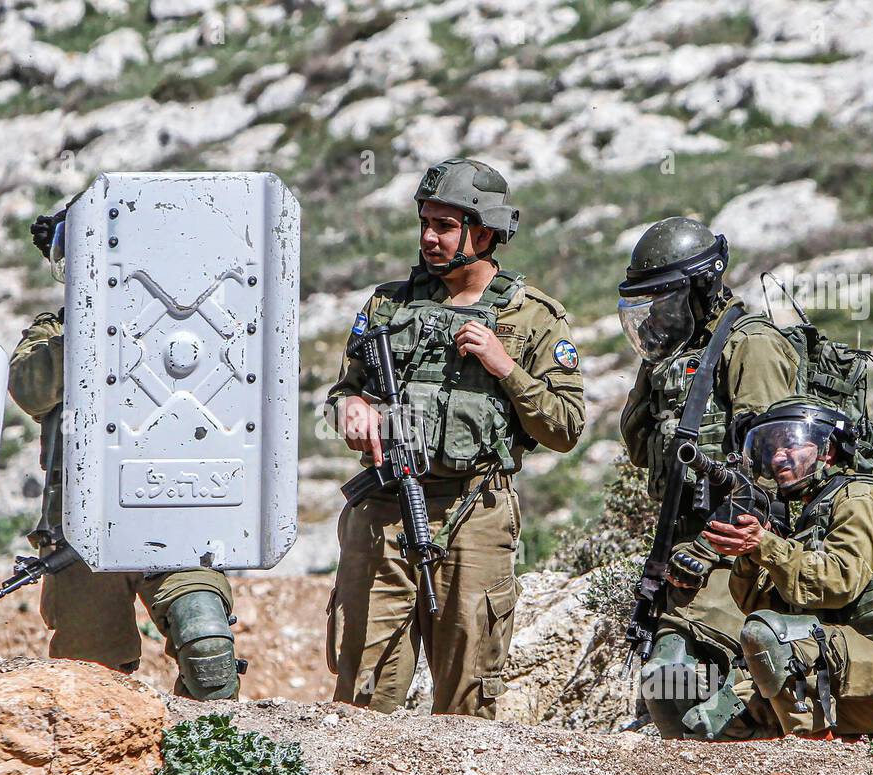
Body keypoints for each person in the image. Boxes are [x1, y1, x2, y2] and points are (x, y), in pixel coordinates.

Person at [325, 157, 586, 718]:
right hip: (384, 507)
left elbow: (566, 427)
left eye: (445, 225)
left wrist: (505, 368)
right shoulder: (385, 306)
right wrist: (348, 410)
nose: (428, 237)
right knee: (362, 699)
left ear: (484, 233)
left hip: (476, 513)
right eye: (425, 221)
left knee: (467, 702)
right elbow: (342, 393)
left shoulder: (533, 317)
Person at [6, 204, 242, 700]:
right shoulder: (53, 332)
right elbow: (30, 390)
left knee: (208, 652)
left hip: (174, 510)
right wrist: (95, 331)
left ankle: (204, 768)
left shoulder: (188, 326)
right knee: (90, 687)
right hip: (82, 530)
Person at [617, 217, 801, 739]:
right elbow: (638, 447)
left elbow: (774, 475)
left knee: (675, 689)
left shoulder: (752, 346)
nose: (654, 312)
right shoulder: (673, 354)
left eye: (664, 298)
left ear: (699, 287)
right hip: (683, 542)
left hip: (739, 546)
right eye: (645, 301)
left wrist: (714, 545)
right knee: (668, 688)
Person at [714, 397, 873, 736]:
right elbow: (761, 607)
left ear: (828, 450)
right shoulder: (810, 516)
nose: (778, 457)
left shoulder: (860, 500)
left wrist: (768, 546)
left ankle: (816, 759)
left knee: (768, 635)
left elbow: (837, 583)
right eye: (772, 448)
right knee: (706, 720)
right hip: (836, 667)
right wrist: (752, 553)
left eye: (789, 443)